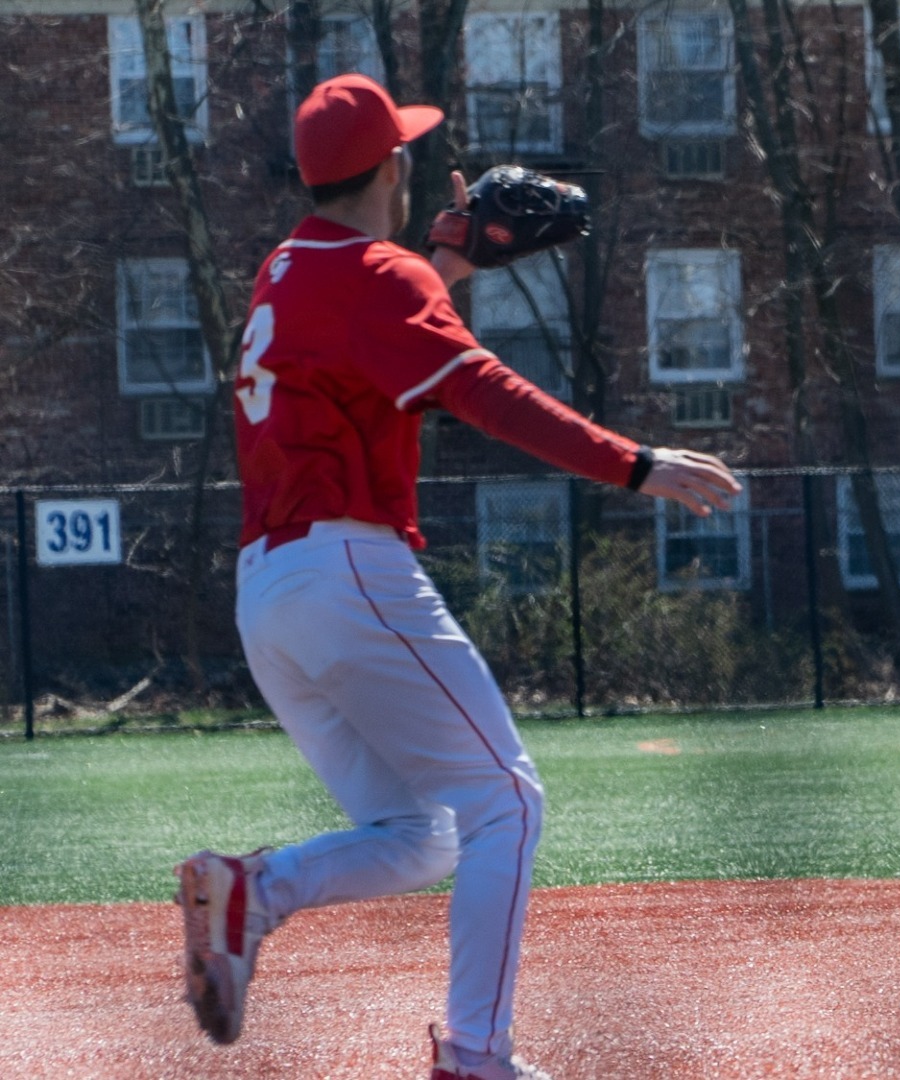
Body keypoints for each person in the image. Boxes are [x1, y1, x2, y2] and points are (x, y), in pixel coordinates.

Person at [172, 74, 740, 1080]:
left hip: (270, 594)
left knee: (424, 831)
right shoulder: (386, 283)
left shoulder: (284, 269)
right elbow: (487, 391)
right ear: (393, 167)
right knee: (507, 806)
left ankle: (253, 892)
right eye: (406, 154)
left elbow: (363, 331)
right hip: (352, 569)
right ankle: (477, 1054)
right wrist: (639, 465)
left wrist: (438, 263)